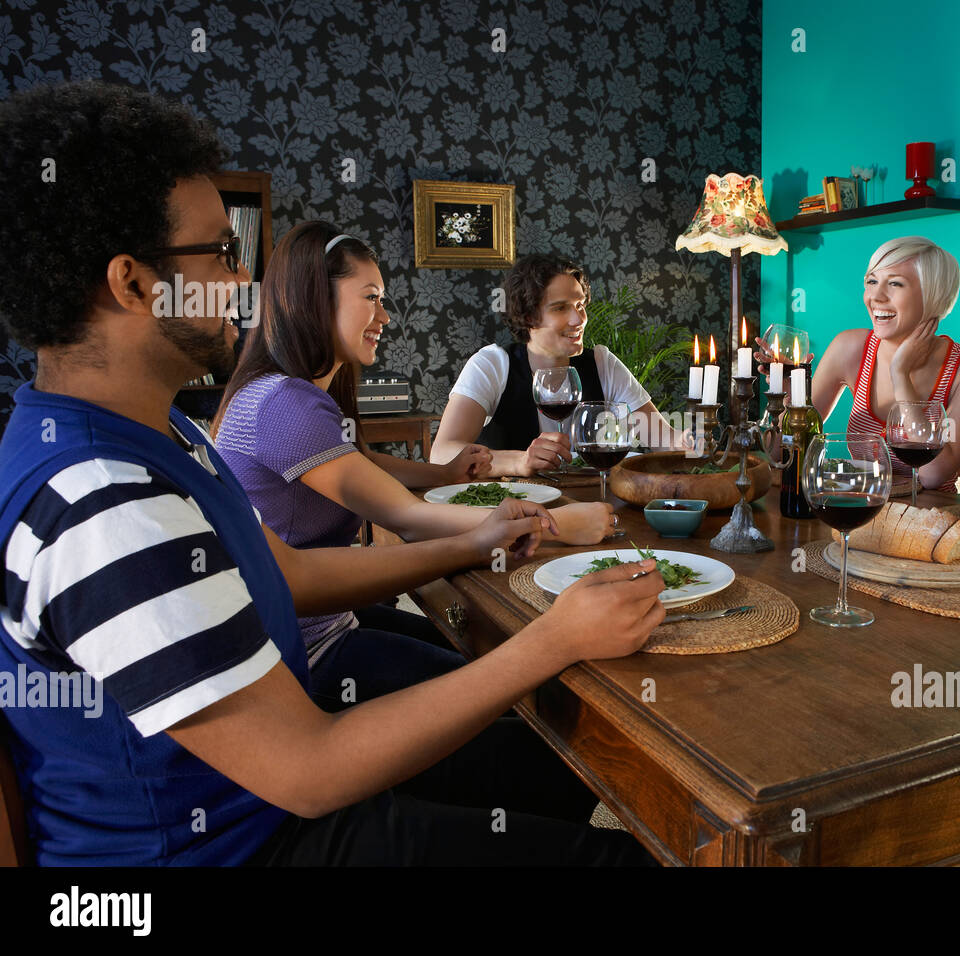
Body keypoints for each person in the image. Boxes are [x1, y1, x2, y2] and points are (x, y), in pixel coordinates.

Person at [0, 80, 664, 866]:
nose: (245, 281)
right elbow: (309, 771)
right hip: (243, 845)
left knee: (553, 758)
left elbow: (287, 574)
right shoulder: (102, 503)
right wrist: (550, 641)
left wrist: (473, 545)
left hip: (268, 801)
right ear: (134, 283)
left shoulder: (160, 430)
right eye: (221, 253)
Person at [211, 221, 618, 710]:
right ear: (315, 299)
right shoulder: (285, 405)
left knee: (485, 653)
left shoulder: (278, 391)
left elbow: (358, 462)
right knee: (532, 708)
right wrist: (553, 524)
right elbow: (407, 516)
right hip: (305, 655)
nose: (384, 315)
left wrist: (442, 476)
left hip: (323, 624)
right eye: (371, 297)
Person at [755, 236, 960, 491]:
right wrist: (785, 399)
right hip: (856, 509)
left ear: (932, 297)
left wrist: (900, 374)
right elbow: (780, 453)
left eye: (895, 284)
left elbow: (932, 475)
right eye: (872, 281)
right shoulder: (850, 347)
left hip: (929, 517)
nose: (876, 297)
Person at [433, 253, 684, 475]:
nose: (579, 319)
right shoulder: (492, 365)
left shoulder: (601, 362)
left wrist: (692, 443)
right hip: (511, 510)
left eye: (580, 305)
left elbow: (663, 438)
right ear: (529, 315)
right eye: (561, 308)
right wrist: (520, 461)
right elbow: (442, 452)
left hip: (589, 504)